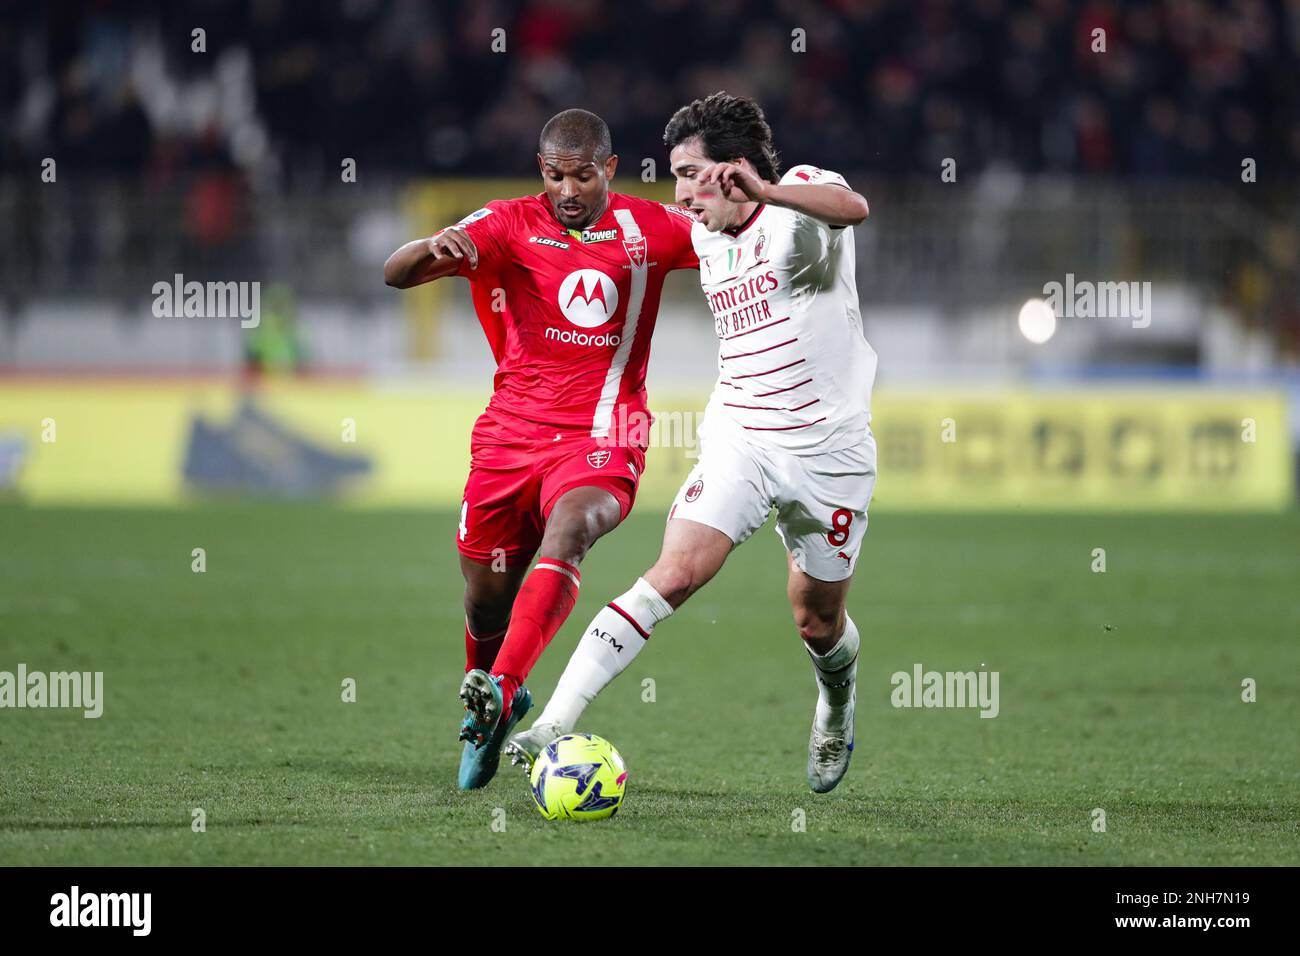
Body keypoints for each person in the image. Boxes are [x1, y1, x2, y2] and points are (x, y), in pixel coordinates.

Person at [507, 92, 876, 793]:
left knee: (816, 620)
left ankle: (836, 697)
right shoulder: (700, 229)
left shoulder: (798, 199)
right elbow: (609, 231)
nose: (678, 191)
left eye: (687, 172)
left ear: (732, 171)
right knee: (673, 573)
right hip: (742, 438)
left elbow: (853, 208)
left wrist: (767, 190)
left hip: (830, 452)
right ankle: (553, 723)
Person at [383, 109, 698, 789]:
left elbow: (737, 246)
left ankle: (499, 691)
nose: (568, 190)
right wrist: (436, 251)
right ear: (541, 171)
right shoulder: (503, 223)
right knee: (484, 602)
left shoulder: (652, 228)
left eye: (582, 175)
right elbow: (397, 273)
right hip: (508, 438)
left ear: (609, 170)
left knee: (573, 529)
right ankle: (488, 696)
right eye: (555, 175)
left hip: (604, 436)